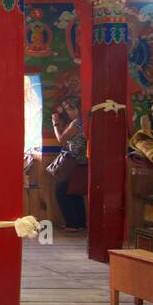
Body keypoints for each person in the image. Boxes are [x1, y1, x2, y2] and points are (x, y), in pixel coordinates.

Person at [50, 98, 88, 232]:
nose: (69, 112)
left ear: (78, 109)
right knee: (74, 192)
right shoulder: (84, 121)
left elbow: (61, 139)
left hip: (73, 161)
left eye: (71, 109)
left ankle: (72, 224)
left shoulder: (77, 123)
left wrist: (55, 123)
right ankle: (80, 224)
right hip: (81, 162)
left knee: (61, 191)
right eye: (68, 110)